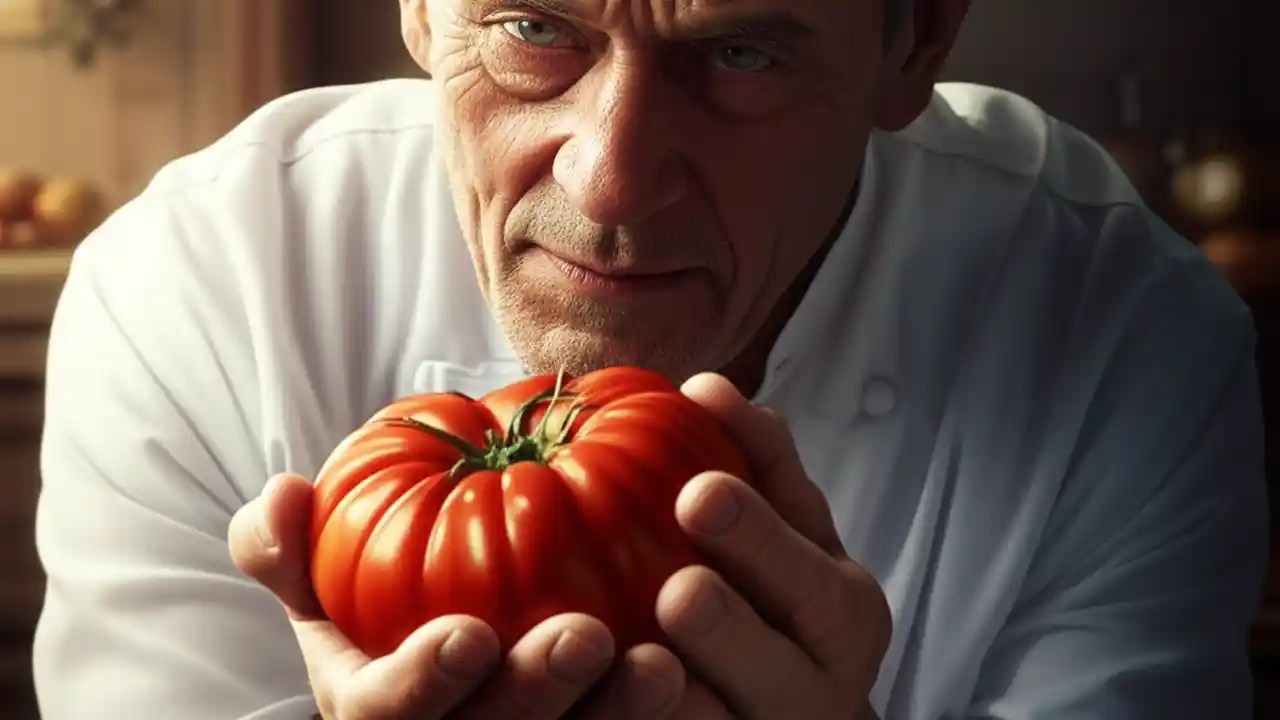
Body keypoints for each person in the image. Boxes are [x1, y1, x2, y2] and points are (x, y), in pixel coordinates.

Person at [30, 0, 1268, 717]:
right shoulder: (198, 285)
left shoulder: (1120, 339)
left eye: (740, 52)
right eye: (531, 27)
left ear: (914, 38)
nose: (608, 176)